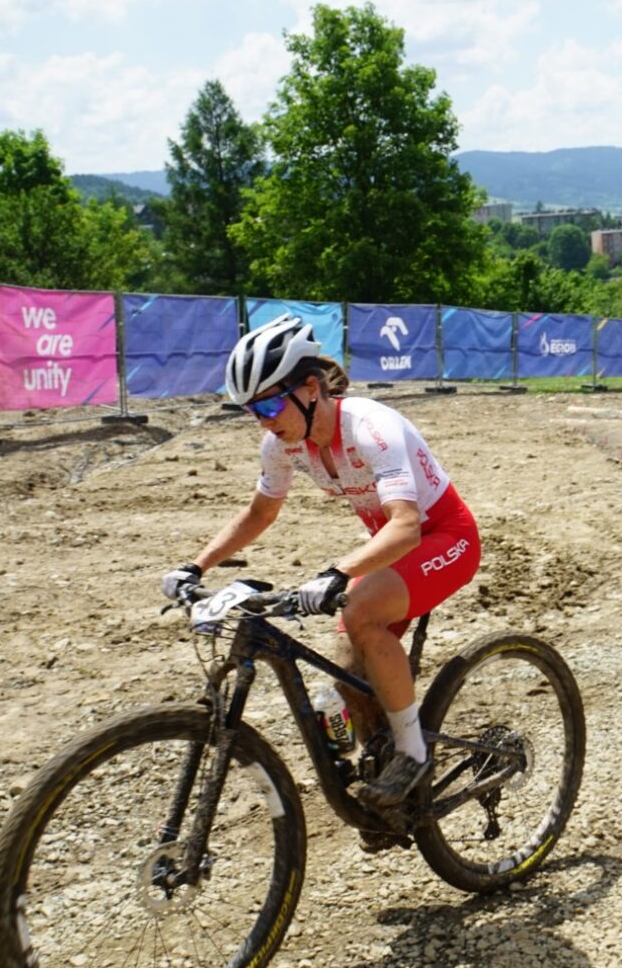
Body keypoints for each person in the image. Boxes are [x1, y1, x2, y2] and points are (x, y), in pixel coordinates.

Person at [161, 316, 482, 834]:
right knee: (346, 676)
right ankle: (390, 801)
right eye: (252, 411)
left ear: (311, 389)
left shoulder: (369, 427)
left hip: (442, 537)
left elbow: (405, 525)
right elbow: (259, 514)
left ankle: (415, 753)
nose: (264, 421)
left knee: (360, 614)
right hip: (388, 547)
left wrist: (336, 573)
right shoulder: (282, 444)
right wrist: (195, 565)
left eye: (269, 405)